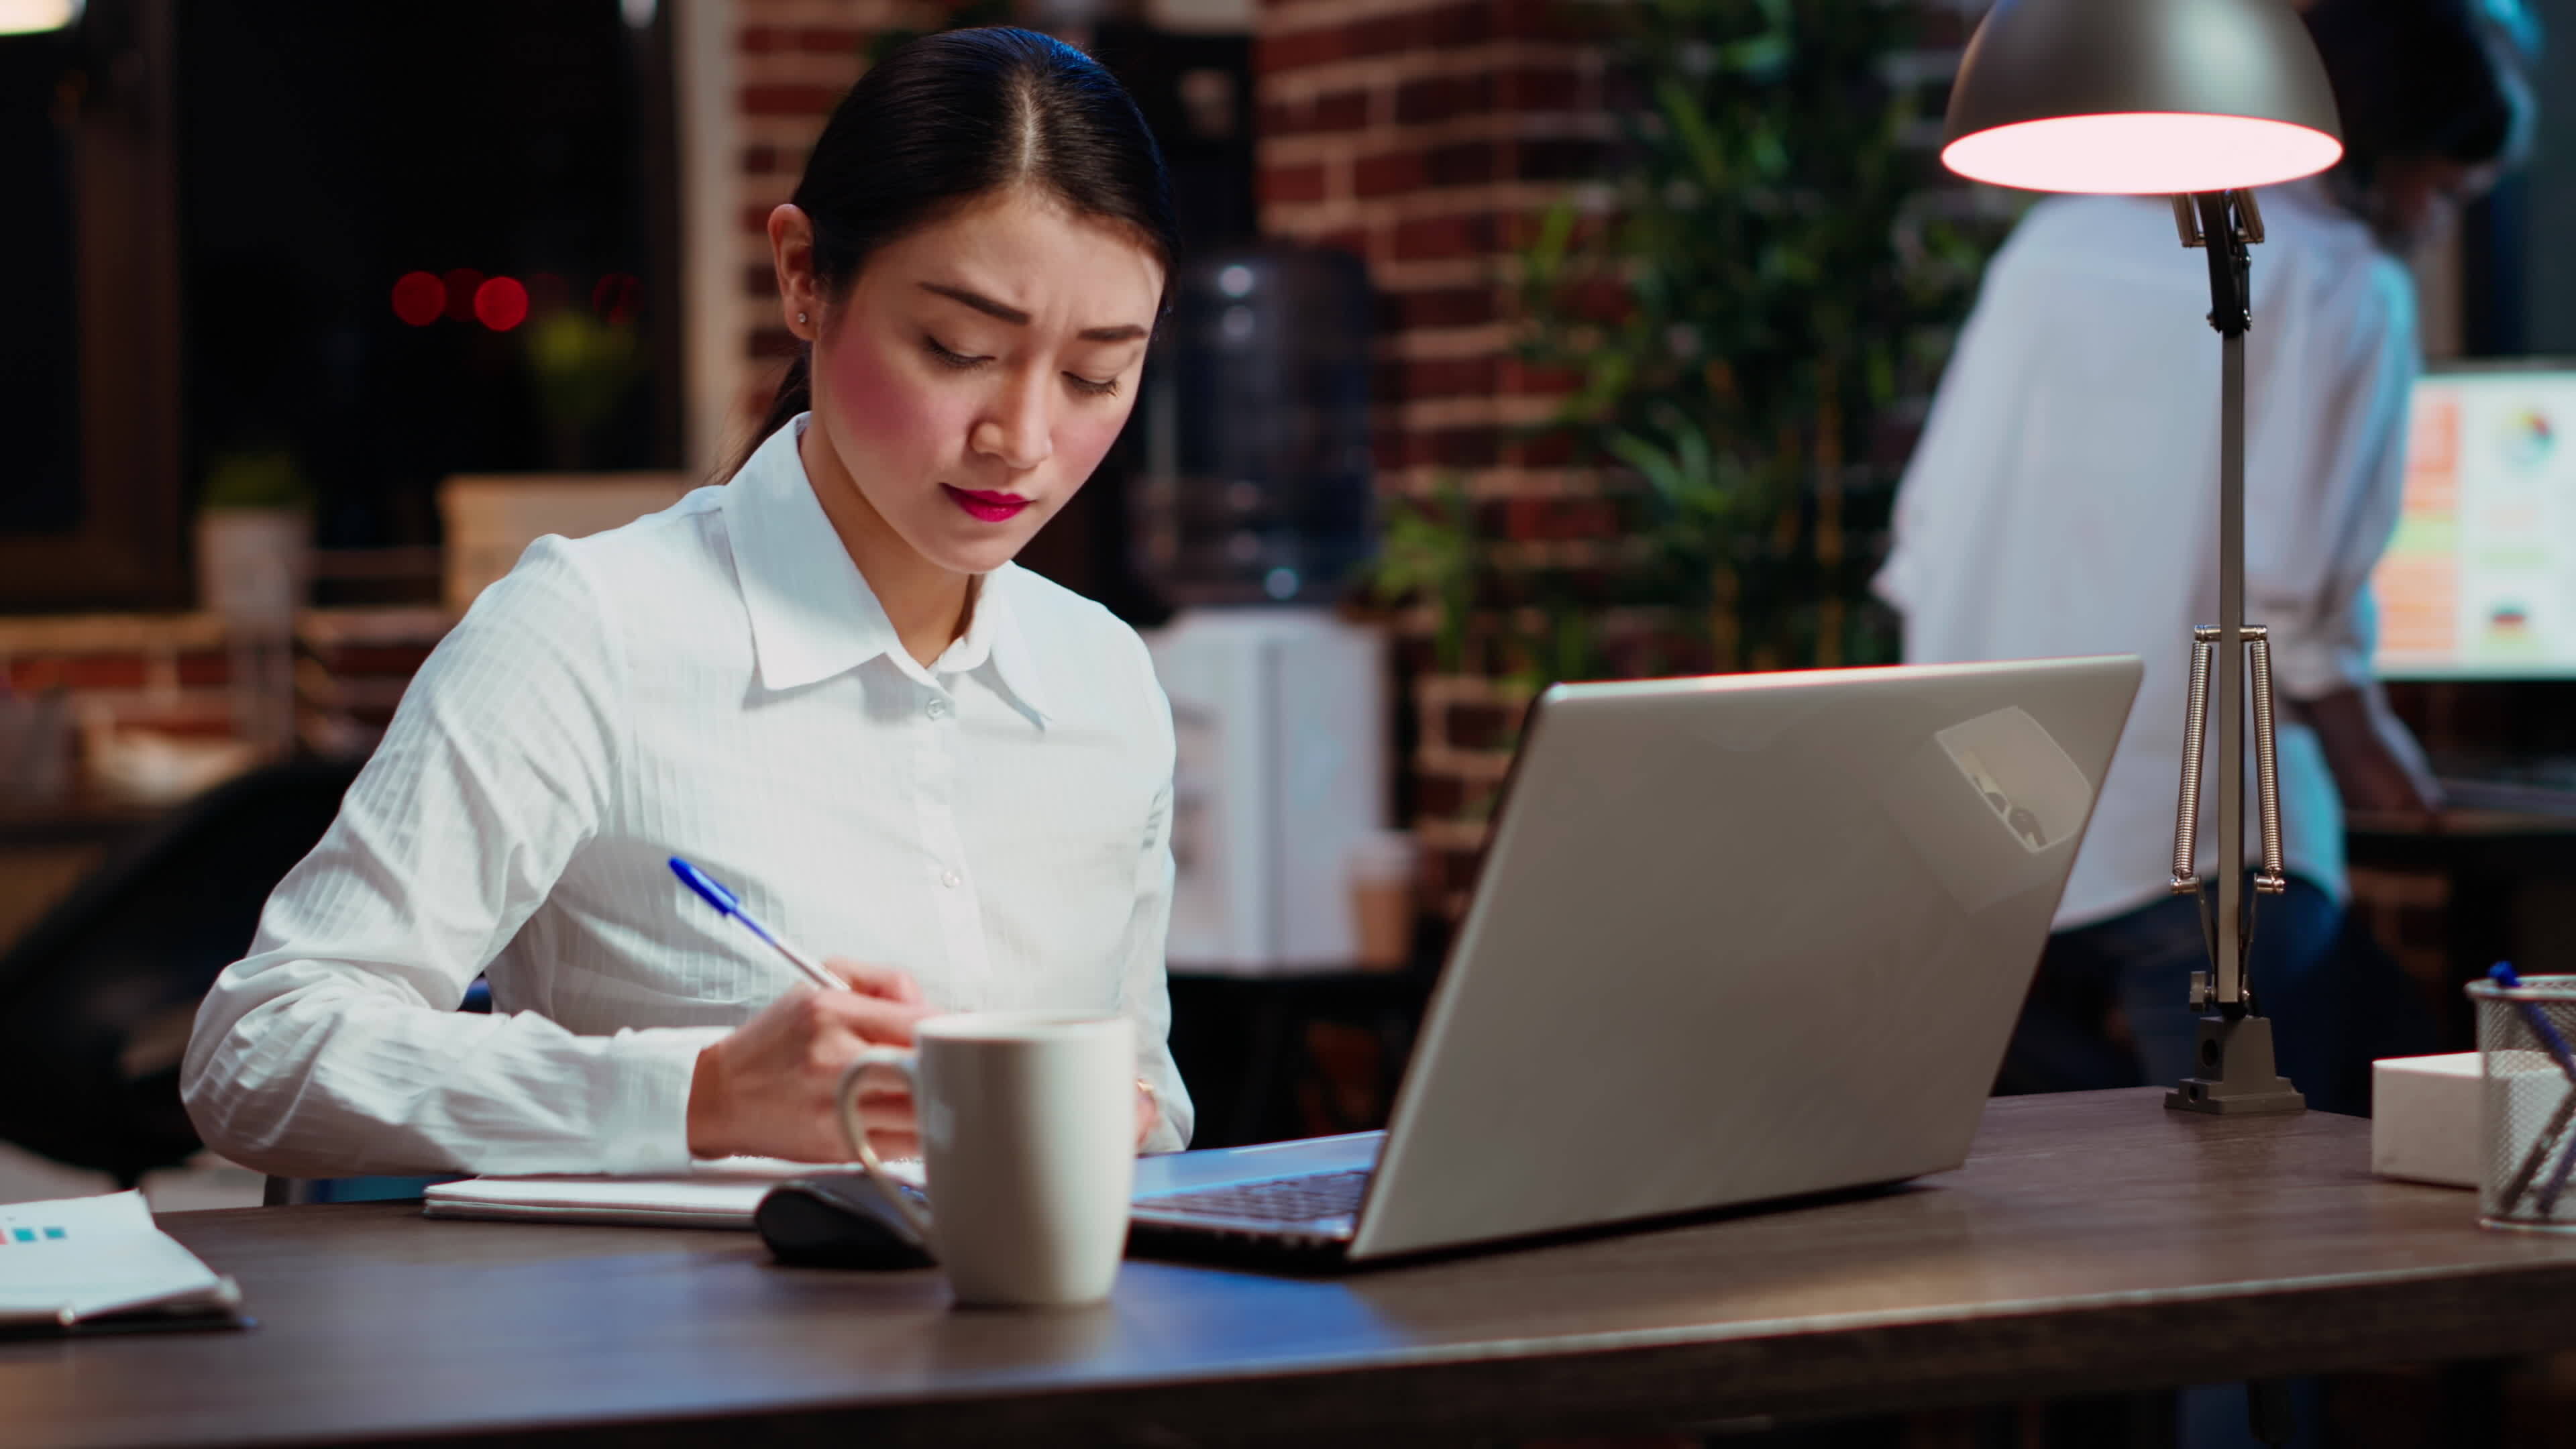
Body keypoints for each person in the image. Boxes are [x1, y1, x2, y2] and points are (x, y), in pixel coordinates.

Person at [181, 28, 1192, 1177]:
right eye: (958, 348)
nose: (1023, 440)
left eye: (1096, 374)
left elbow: (1151, 1091)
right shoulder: (593, 630)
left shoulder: (1104, 680)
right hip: (681, 1348)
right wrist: (704, 1095)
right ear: (806, 277)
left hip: (1053, 1347)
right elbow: (259, 1048)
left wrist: (1125, 1116)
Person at [1877, 0, 2538, 1115]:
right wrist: (2389, 775)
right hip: (2193, 846)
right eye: (2447, 190)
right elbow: (2297, 610)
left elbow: (1922, 540)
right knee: (2263, 1192)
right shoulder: (2337, 282)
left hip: (1989, 847)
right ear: (2382, 145)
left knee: (2060, 1191)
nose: (2435, 224)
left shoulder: (2053, 243)